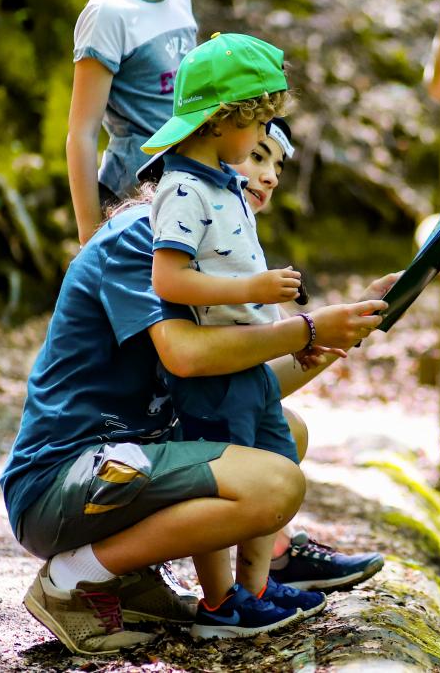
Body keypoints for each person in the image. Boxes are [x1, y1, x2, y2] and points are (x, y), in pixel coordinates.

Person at [0, 145, 394, 654]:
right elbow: (186, 356)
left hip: (121, 467)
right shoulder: (141, 238)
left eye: (277, 165)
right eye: (253, 152)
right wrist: (306, 329)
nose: (268, 177)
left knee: (285, 431)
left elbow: (243, 391)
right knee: (272, 486)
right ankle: (75, 579)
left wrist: (341, 332)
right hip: (63, 481)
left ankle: (132, 579)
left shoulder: (202, 252)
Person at [139, 32, 324, 638]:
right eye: (258, 127)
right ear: (225, 122)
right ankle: (219, 604)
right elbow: (170, 277)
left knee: (274, 462)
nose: (260, 144)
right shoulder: (184, 189)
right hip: (216, 375)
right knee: (233, 480)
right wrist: (257, 291)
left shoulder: (222, 185)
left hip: (248, 367)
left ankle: (256, 589)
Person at [67, 0, 239, 245]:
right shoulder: (109, 11)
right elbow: (81, 134)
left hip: (184, 199)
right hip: (132, 211)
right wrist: (91, 240)